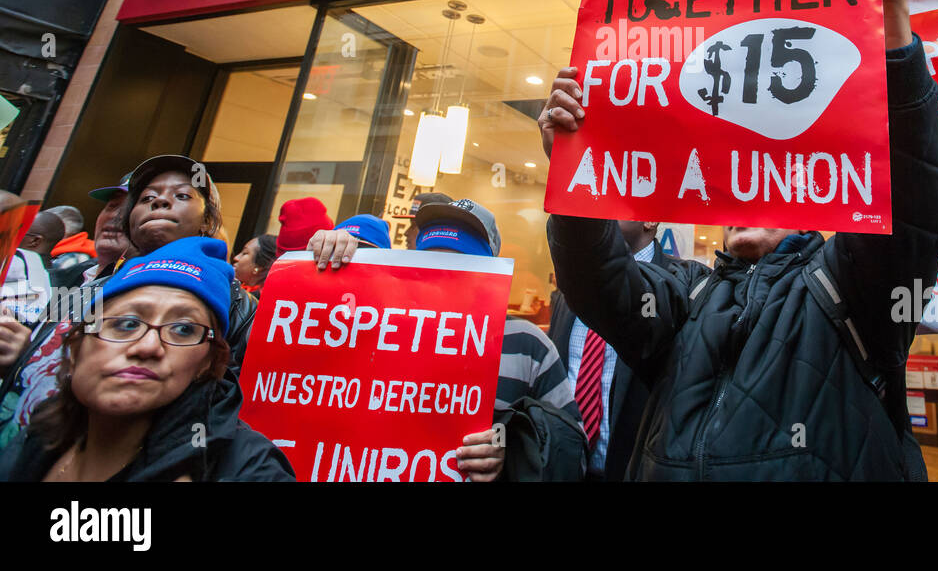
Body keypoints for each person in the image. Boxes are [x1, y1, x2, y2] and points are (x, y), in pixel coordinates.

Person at [541, 0, 938, 480]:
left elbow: (915, 200)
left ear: (815, 203)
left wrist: (891, 21)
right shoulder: (688, 294)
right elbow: (597, 280)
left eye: (769, 183)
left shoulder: (851, 287)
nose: (745, 203)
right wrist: (572, 172)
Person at [317, 196, 586, 480]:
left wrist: (507, 448)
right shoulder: (383, 329)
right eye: (433, 259)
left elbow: (570, 447)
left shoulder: (527, 344)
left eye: (460, 262)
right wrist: (322, 261)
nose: (444, 273)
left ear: (487, 272)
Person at [0, 236, 294, 481]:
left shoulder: (249, 469)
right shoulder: (35, 435)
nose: (148, 346)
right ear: (75, 346)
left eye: (183, 329)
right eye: (126, 323)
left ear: (206, 363)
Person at [547, 219, 669, 480]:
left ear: (649, 219)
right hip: (563, 468)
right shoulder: (571, 290)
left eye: (616, 200)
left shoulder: (676, 286)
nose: (602, 208)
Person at [232, 234, 277, 299]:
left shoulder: (258, 301)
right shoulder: (236, 289)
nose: (236, 258)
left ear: (259, 267)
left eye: (245, 253)